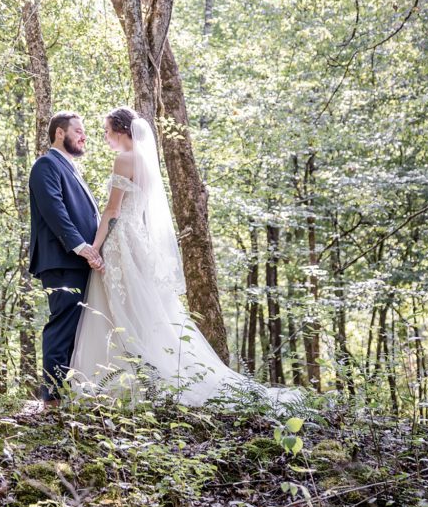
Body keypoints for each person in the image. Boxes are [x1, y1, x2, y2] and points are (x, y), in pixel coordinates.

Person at [69, 107, 302, 407]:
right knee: (141, 309)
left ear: (121, 130)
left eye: (107, 131)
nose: (104, 137)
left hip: (121, 240)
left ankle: (120, 381)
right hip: (138, 240)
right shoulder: (147, 161)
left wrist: (95, 246)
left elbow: (112, 210)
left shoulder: (124, 159)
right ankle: (141, 377)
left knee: (119, 307)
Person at [28, 111, 103, 407]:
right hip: (61, 261)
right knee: (62, 326)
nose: (84, 136)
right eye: (78, 131)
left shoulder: (70, 168)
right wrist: (80, 246)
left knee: (77, 329)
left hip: (78, 262)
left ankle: (69, 395)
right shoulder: (45, 164)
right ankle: (52, 400)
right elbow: (54, 210)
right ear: (60, 133)